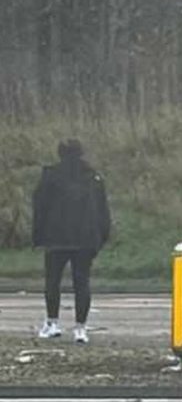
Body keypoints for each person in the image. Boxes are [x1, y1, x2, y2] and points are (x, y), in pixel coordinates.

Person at [32, 139, 111, 344]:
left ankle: (52, 323)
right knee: (82, 283)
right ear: (81, 153)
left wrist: (38, 236)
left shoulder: (50, 175)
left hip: (56, 238)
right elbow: (102, 209)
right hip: (85, 239)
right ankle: (80, 329)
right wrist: (102, 236)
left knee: (52, 282)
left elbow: (39, 206)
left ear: (60, 153)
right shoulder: (93, 177)